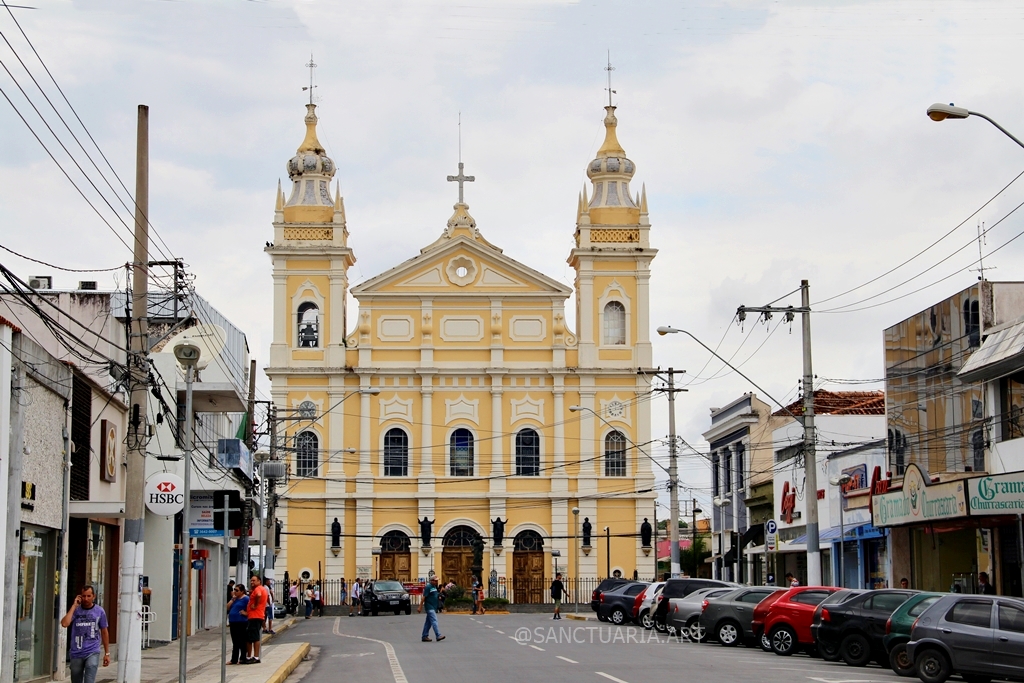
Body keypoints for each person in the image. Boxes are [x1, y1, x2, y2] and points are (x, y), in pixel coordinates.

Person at [61, 585, 110, 683]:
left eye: (88, 596)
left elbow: (104, 632)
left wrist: (107, 653)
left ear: (93, 596)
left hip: (92, 650)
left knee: (90, 674)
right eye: (84, 596)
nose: (86, 599)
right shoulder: (76, 610)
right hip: (76, 652)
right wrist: (74, 606)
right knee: (76, 679)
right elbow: (64, 623)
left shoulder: (99, 611)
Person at [246, 575, 268, 664]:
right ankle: (252, 656)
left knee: (254, 638)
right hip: (255, 616)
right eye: (251, 581)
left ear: (259, 581)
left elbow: (258, 595)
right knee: (252, 637)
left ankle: (254, 657)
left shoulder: (258, 589)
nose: (252, 582)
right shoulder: (260, 589)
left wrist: (255, 604)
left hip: (255, 616)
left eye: (254, 580)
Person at [226, 584, 250, 665]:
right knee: (235, 641)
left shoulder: (246, 599)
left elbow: (251, 608)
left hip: (241, 622)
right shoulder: (235, 599)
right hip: (233, 622)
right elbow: (227, 607)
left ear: (242, 591)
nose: (234, 592)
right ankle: (234, 659)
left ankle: (243, 658)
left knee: (242, 640)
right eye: (234, 590)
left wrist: (246, 613)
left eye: (237, 590)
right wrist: (232, 599)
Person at [418, 576, 445, 642]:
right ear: (431, 581)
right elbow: (423, 598)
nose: (436, 582)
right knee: (434, 620)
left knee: (428, 622)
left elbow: (435, 595)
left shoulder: (434, 587)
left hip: (433, 606)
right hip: (429, 607)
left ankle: (424, 636)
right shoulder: (428, 587)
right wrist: (420, 607)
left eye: (437, 581)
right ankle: (438, 635)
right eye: (435, 581)